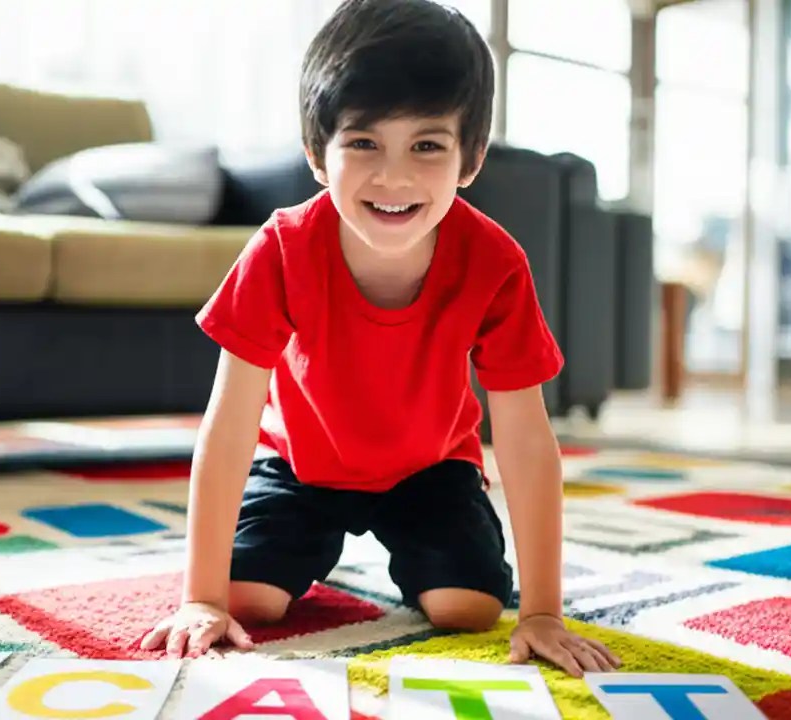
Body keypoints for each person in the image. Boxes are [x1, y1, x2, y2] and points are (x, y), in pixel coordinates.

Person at [139, 0, 621, 678]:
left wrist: (542, 610)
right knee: (245, 602)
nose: (393, 177)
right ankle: (305, 553)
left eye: (427, 146)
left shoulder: (495, 263)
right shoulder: (280, 249)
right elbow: (228, 424)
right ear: (316, 153)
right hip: (302, 466)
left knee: (470, 608)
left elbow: (526, 437)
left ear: (471, 157)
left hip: (431, 471)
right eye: (363, 143)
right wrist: (199, 597)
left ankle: (417, 556)